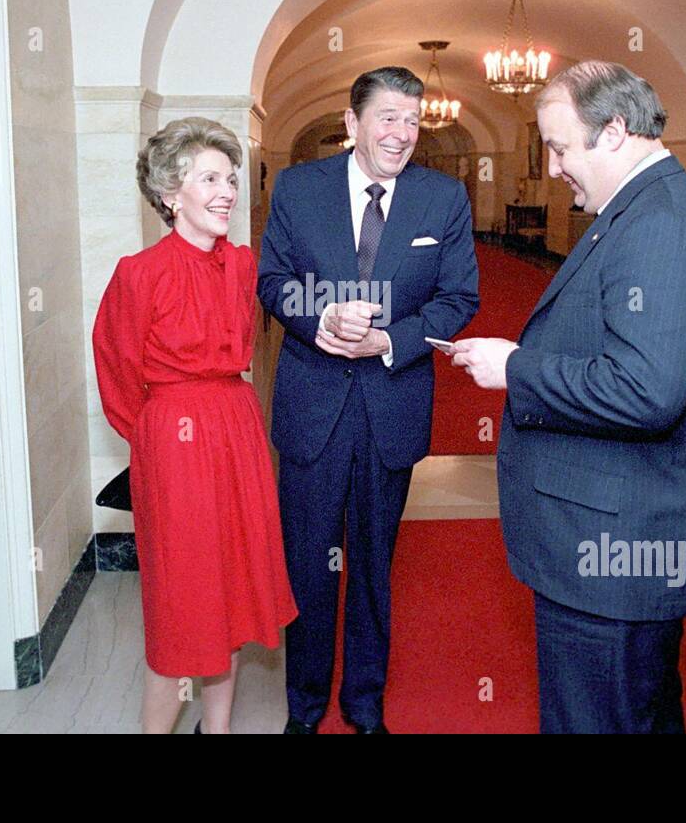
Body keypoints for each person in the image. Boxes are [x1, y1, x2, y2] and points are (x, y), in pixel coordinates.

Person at [453, 61, 686, 733]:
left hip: (616, 551)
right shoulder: (641, 209)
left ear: (613, 133)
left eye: (559, 146)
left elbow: (647, 391)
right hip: (612, 541)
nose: (553, 166)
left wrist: (518, 368)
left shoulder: (660, 226)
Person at [258, 67, 479, 733]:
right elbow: (272, 281)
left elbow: (458, 297)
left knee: (374, 568)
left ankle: (364, 704)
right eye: (387, 117)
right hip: (311, 411)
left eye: (412, 120)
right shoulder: (300, 188)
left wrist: (389, 339)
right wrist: (321, 320)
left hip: (392, 406)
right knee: (309, 566)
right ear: (352, 124)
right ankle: (304, 707)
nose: (401, 133)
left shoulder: (443, 199)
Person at [92, 117, 297, 733]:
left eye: (231, 179)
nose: (228, 192)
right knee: (184, 603)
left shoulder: (241, 265)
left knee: (230, 595)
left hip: (236, 431)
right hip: (176, 445)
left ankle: (219, 730)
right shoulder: (139, 272)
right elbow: (117, 375)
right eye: (209, 178)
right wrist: (162, 440)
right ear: (170, 194)